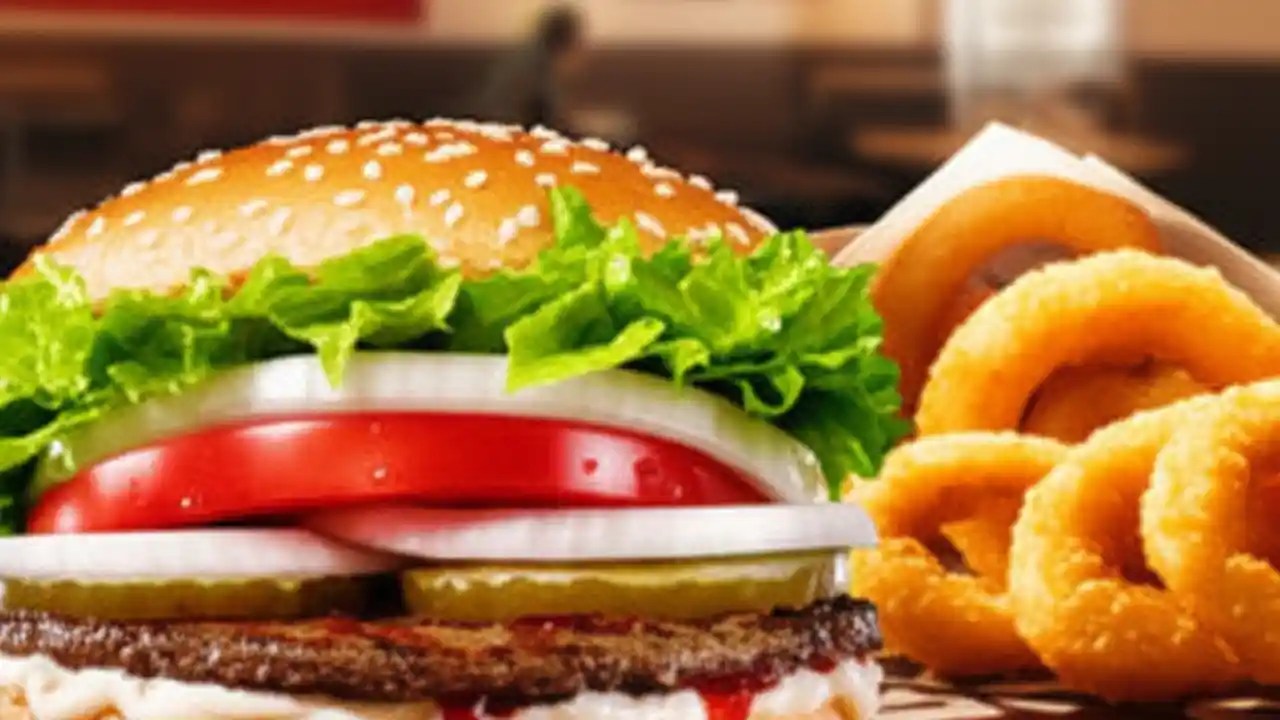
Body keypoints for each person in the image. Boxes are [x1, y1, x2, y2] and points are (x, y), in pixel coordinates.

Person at [475, 4, 587, 130]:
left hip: (491, 124)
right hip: (506, 130)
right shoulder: (540, 63)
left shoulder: (525, 54)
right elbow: (555, 115)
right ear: (566, 38)